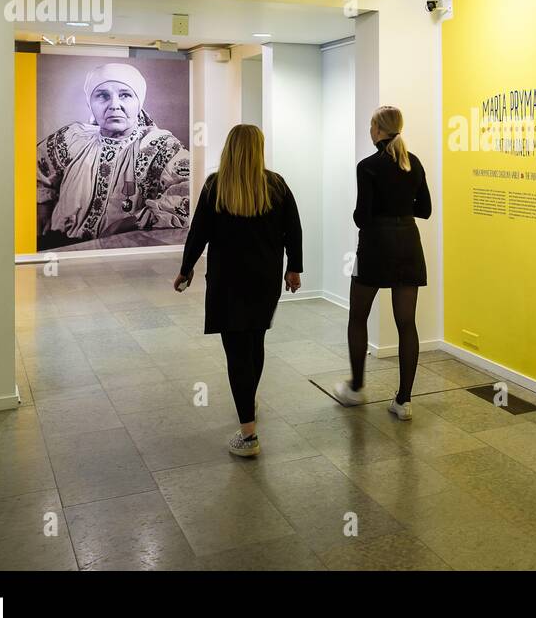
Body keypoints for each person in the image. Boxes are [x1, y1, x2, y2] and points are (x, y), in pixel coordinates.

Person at [174, 124, 302, 457]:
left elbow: (198, 233)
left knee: (235, 352)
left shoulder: (216, 185)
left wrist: (186, 270)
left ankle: (248, 435)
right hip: (264, 279)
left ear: (230, 148)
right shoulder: (276, 185)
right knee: (255, 342)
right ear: (258, 148)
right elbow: (294, 231)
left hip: (227, 281)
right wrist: (293, 269)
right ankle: (249, 401)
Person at [333, 106, 430, 420]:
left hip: (374, 247)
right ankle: (404, 401)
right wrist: (401, 209)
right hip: (409, 246)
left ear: (377, 129)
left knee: (358, 315)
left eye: (371, 125)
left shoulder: (367, 166)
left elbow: (362, 216)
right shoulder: (413, 162)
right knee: (407, 324)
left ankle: (357, 388)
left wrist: (380, 213)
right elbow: (425, 209)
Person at [36, 62, 192, 250]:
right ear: (90, 103)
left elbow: (192, 190)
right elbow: (32, 169)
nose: (114, 105)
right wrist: (42, 208)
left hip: (123, 255)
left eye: (125, 95)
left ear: (139, 101)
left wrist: (136, 220)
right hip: (63, 249)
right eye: (102, 96)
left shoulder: (158, 145)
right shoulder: (72, 138)